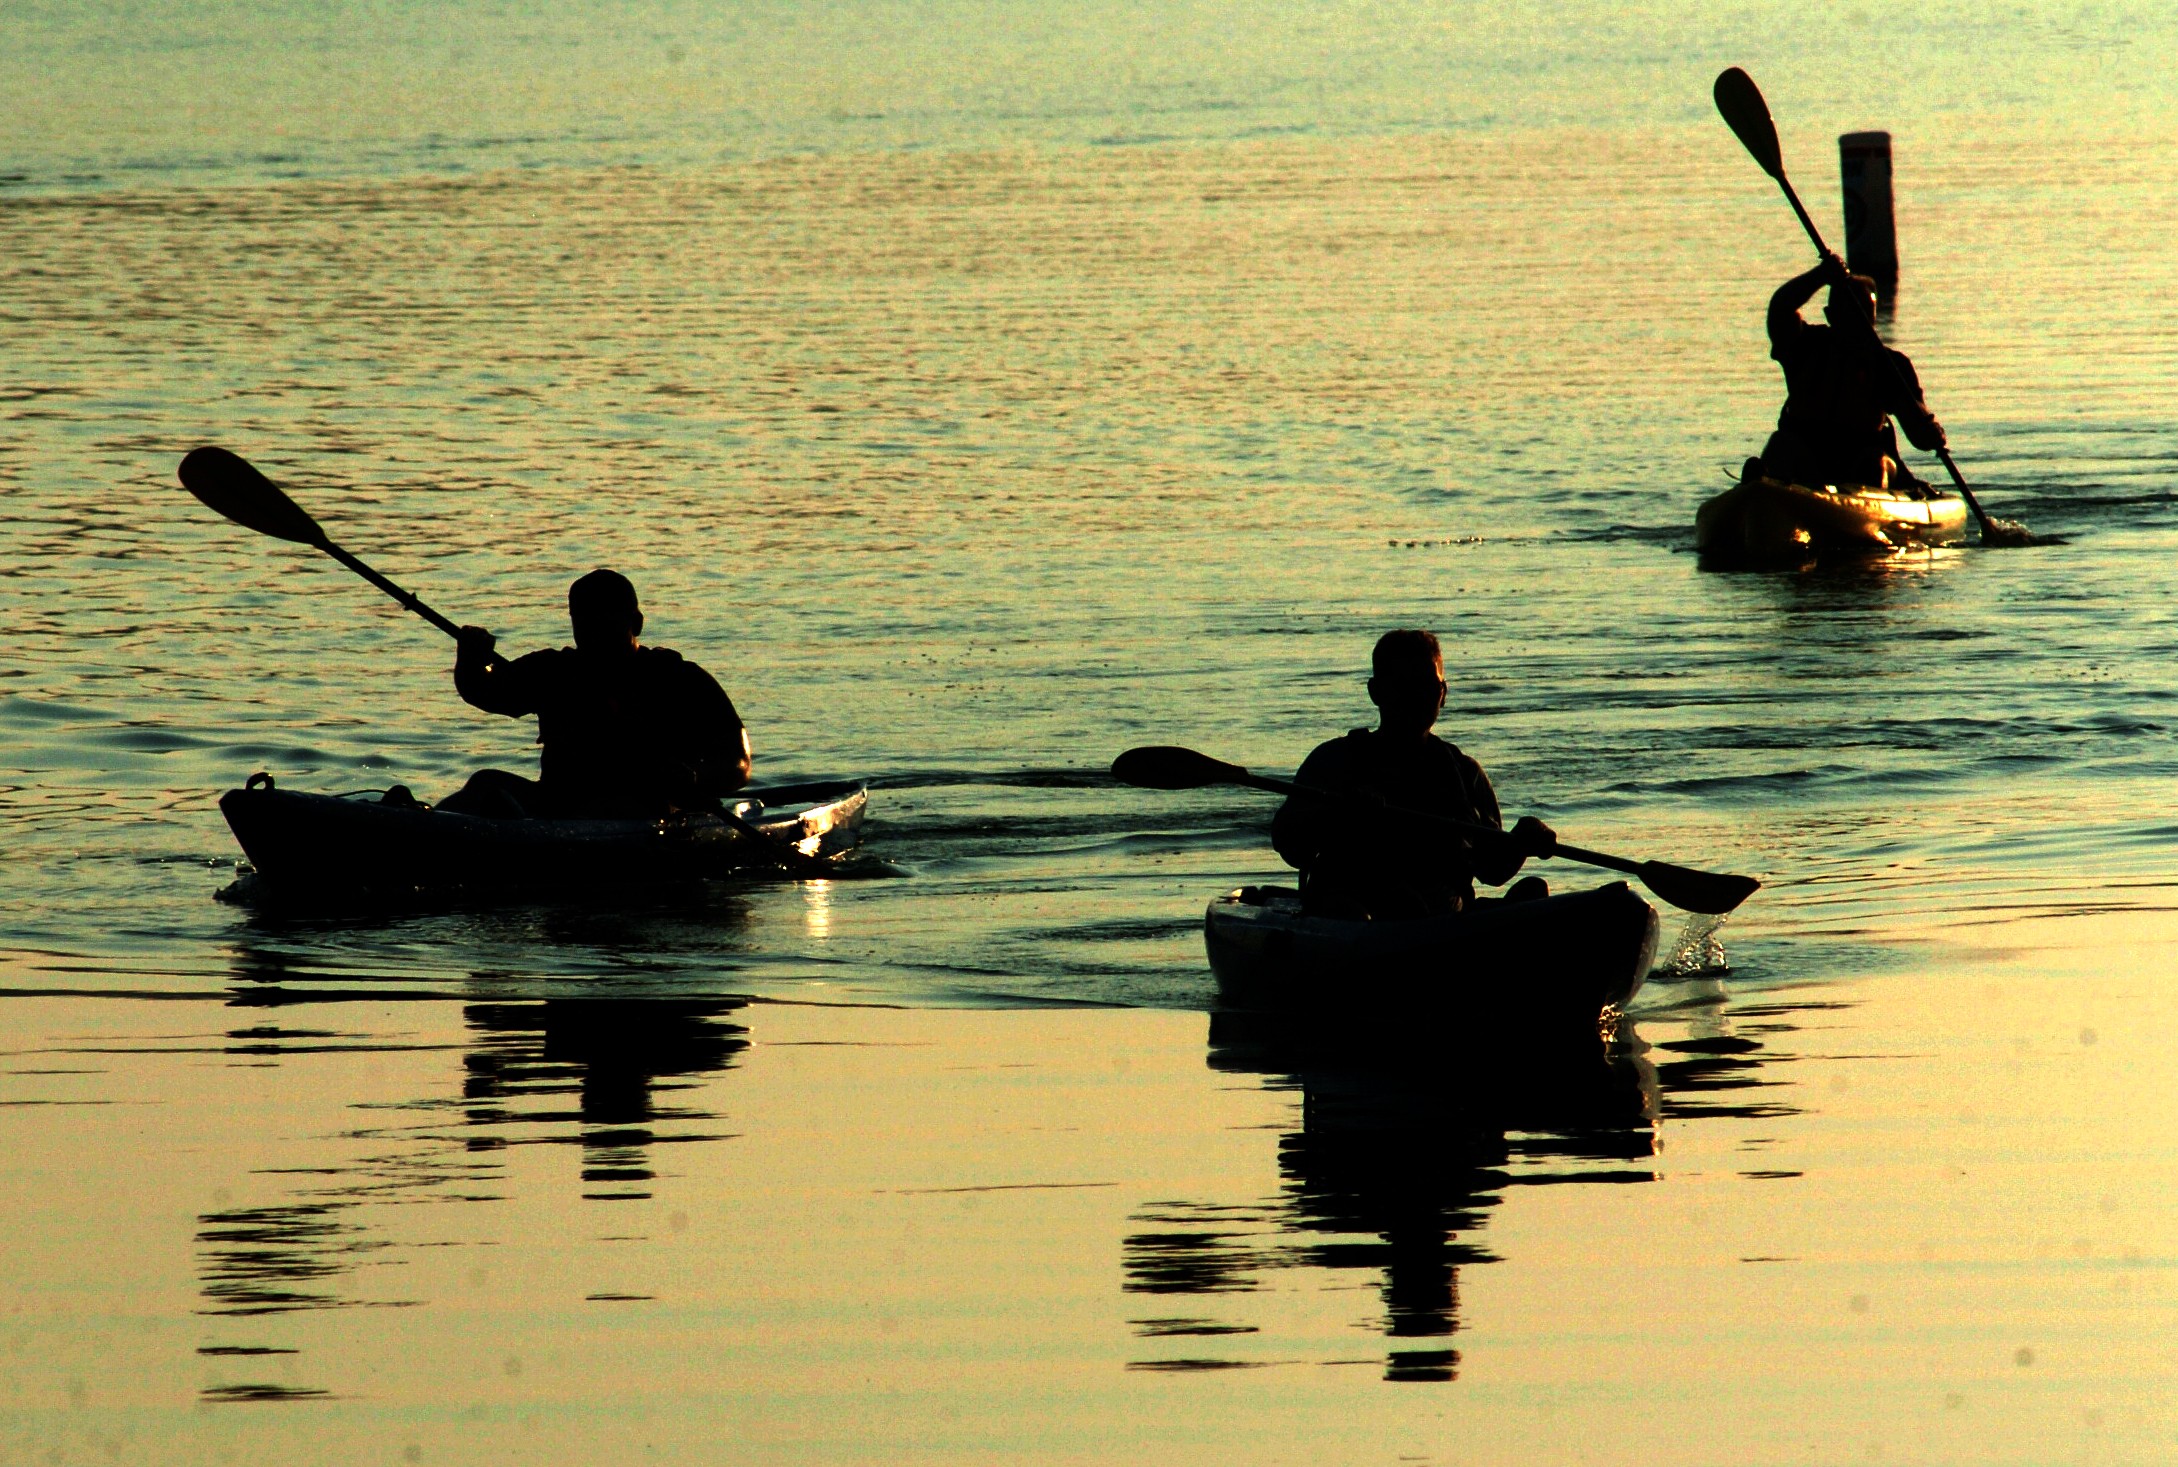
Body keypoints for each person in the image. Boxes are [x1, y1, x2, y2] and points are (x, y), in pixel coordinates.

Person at [1270, 630, 1555, 921]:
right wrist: (1339, 815)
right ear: (1376, 692)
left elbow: (1492, 870)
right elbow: (1291, 847)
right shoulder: (1335, 760)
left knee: (1534, 892)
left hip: (1446, 920)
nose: (1416, 698)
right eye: (1403, 686)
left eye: (1427, 687)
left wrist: (1522, 841)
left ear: (1443, 694)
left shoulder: (1464, 772)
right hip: (1357, 913)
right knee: (1395, 905)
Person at [437, 569, 751, 820]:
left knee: (620, 807)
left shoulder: (676, 677)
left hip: (648, 812)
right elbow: (484, 691)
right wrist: (469, 658)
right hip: (560, 804)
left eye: (606, 621)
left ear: (636, 623)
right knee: (485, 783)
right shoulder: (553, 671)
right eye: (584, 621)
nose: (595, 633)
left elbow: (739, 759)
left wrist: (696, 778)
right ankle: (424, 823)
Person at [1757, 251, 1945, 491]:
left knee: (1876, 464)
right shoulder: (1803, 346)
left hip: (1859, 462)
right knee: (1780, 445)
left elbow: (1918, 435)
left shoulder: (1889, 365)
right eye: (1847, 313)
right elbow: (1781, 308)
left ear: (1873, 318)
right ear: (1829, 315)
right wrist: (1821, 276)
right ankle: (1768, 497)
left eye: (1863, 315)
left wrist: (1928, 430)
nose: (1856, 323)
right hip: (1805, 457)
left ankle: (1864, 515)